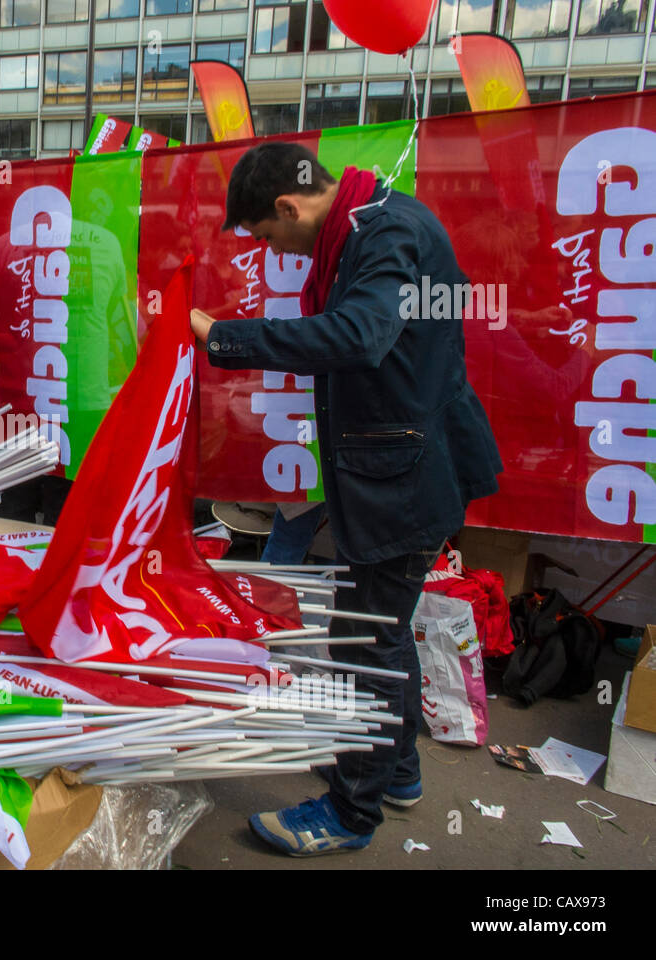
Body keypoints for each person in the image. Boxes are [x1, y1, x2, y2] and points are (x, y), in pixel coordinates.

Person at [191, 142, 502, 856]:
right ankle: (396, 773)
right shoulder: (369, 224)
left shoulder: (385, 234)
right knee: (386, 631)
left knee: (363, 641)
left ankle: (349, 812)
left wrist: (222, 337)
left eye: (271, 239)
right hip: (403, 467)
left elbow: (359, 336)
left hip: (407, 477)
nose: (282, 254)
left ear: (287, 207)